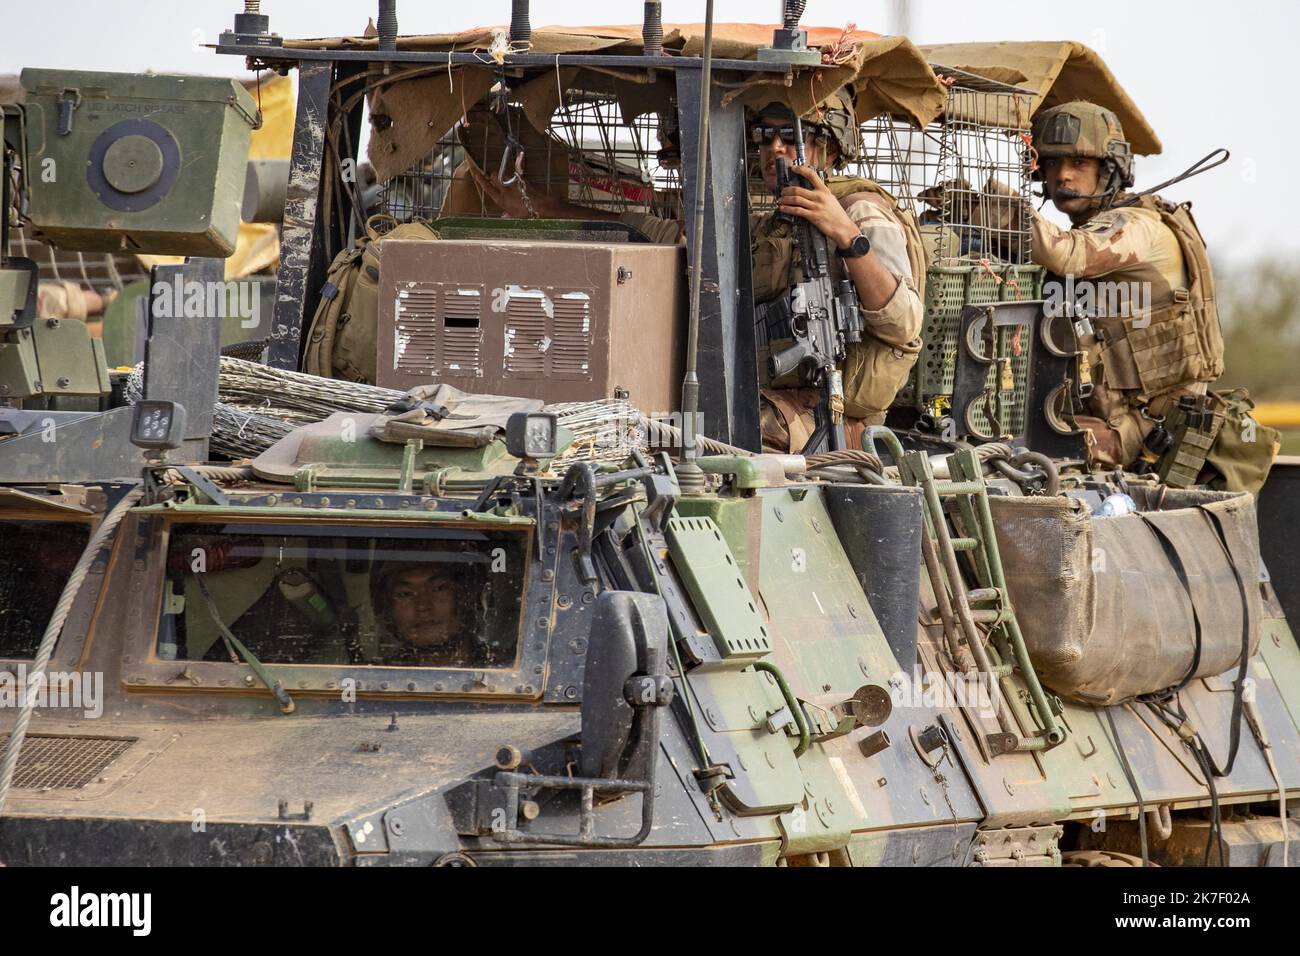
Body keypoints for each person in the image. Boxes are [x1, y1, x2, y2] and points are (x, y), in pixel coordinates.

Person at [467, 89, 926, 453]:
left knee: (693, 439)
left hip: (832, 419)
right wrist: (543, 209)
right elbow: (653, 233)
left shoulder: (863, 212)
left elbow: (905, 320)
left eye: (790, 136)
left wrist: (846, 235)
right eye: (765, 138)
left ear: (827, 148)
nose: (775, 149)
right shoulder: (774, 222)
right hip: (775, 402)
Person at [1024, 101, 1223, 467]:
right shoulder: (1094, 225)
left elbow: (1068, 254)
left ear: (1109, 169)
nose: (1063, 176)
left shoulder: (1135, 225)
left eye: (1078, 163)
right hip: (1109, 418)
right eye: (1052, 163)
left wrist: (988, 207)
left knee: (1023, 450)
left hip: (1149, 431)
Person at [372, 561, 488, 667]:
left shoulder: (501, 670)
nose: (422, 606)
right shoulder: (378, 677)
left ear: (464, 597)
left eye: (439, 588)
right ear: (389, 609)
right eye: (405, 594)